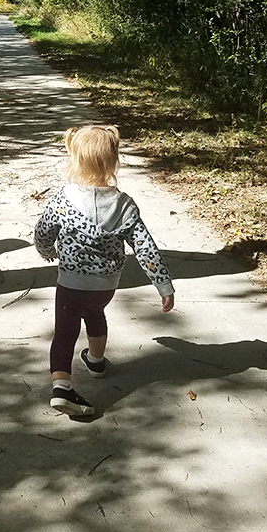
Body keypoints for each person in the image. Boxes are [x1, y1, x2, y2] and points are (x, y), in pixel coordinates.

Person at [34, 124, 175, 417]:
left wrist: (46, 251)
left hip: (71, 283)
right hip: (105, 286)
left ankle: (61, 388)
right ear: (114, 161)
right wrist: (163, 285)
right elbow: (145, 247)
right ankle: (96, 361)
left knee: (65, 332)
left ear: (74, 159)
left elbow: (43, 231)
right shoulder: (124, 205)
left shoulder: (63, 198)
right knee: (95, 314)